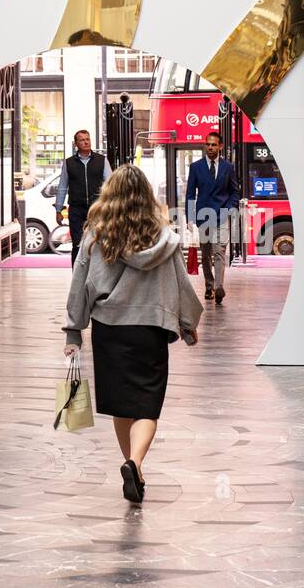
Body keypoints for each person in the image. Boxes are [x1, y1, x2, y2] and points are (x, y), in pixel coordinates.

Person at [63, 164, 202, 504]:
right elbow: (181, 282)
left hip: (109, 330)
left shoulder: (96, 234)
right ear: (146, 196)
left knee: (122, 405)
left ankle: (132, 465)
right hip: (150, 330)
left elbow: (79, 283)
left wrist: (73, 331)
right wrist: (187, 323)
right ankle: (135, 463)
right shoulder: (165, 238)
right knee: (147, 405)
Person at [185, 130, 240, 305]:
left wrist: (230, 208)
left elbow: (234, 192)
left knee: (219, 252)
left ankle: (219, 287)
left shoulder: (228, 168)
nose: (210, 147)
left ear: (220, 147)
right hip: (203, 217)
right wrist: (190, 218)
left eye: (213, 144)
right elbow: (190, 194)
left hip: (222, 215)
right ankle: (209, 286)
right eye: (208, 144)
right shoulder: (196, 167)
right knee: (206, 255)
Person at [55, 128, 111, 267]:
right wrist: (58, 210)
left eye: (87, 139)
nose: (86, 142)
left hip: (97, 209)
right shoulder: (69, 163)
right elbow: (62, 187)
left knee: (98, 243)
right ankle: (77, 276)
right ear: (76, 144)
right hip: (76, 209)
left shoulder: (101, 161)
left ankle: (98, 275)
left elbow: (111, 185)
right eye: (82, 140)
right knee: (77, 244)